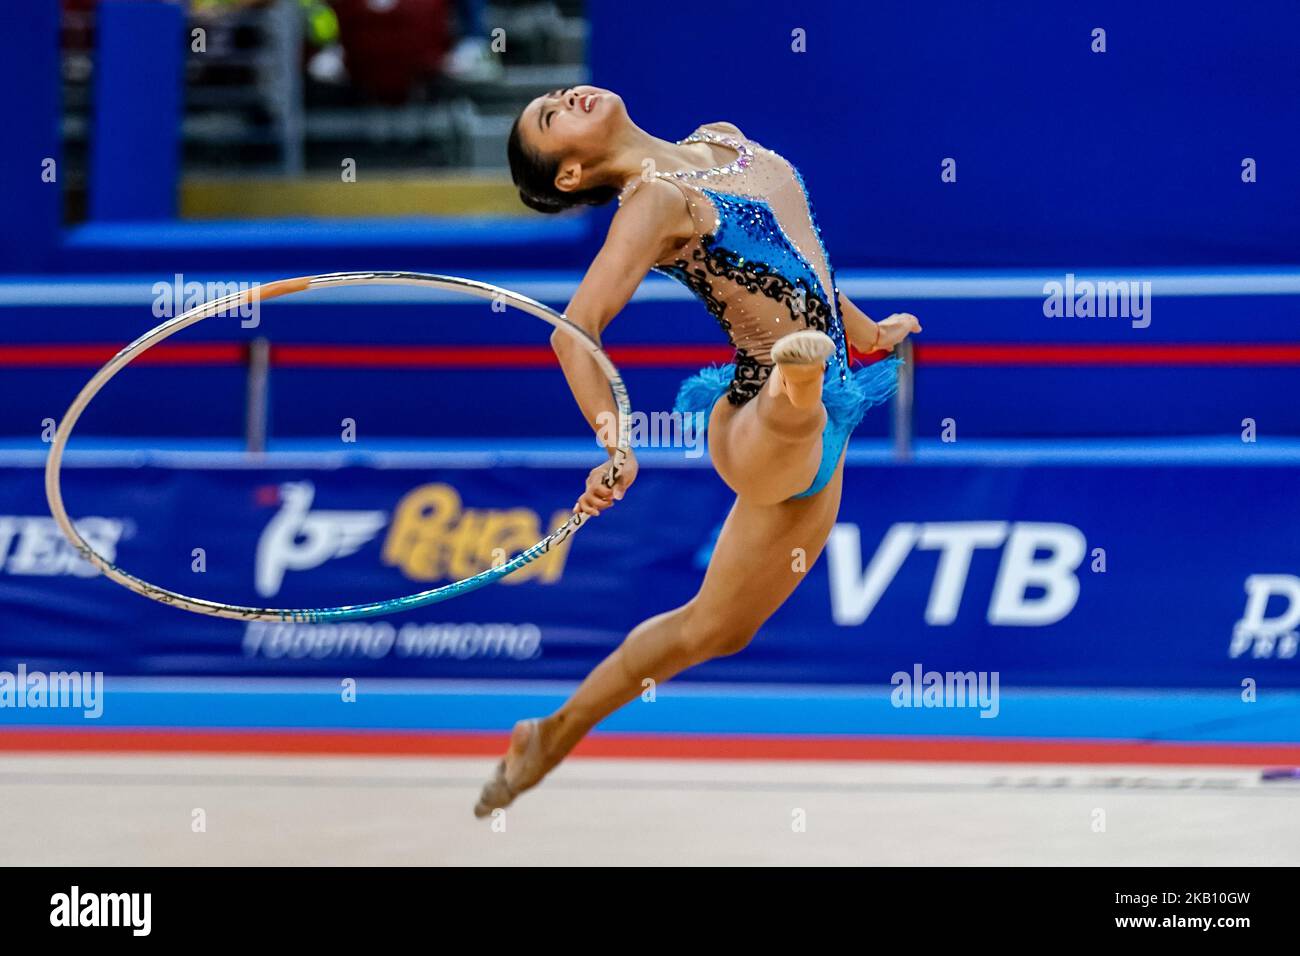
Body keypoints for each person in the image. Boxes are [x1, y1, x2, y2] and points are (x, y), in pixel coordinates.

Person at [476, 86, 920, 816]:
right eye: (552, 117)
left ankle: (553, 732)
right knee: (789, 405)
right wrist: (614, 442)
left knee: (717, 629)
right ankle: (794, 382)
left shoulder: (721, 135)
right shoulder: (652, 202)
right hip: (753, 416)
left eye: (552, 95)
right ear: (569, 175)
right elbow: (574, 328)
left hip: (829, 415)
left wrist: (864, 332)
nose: (565, 97)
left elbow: (797, 253)